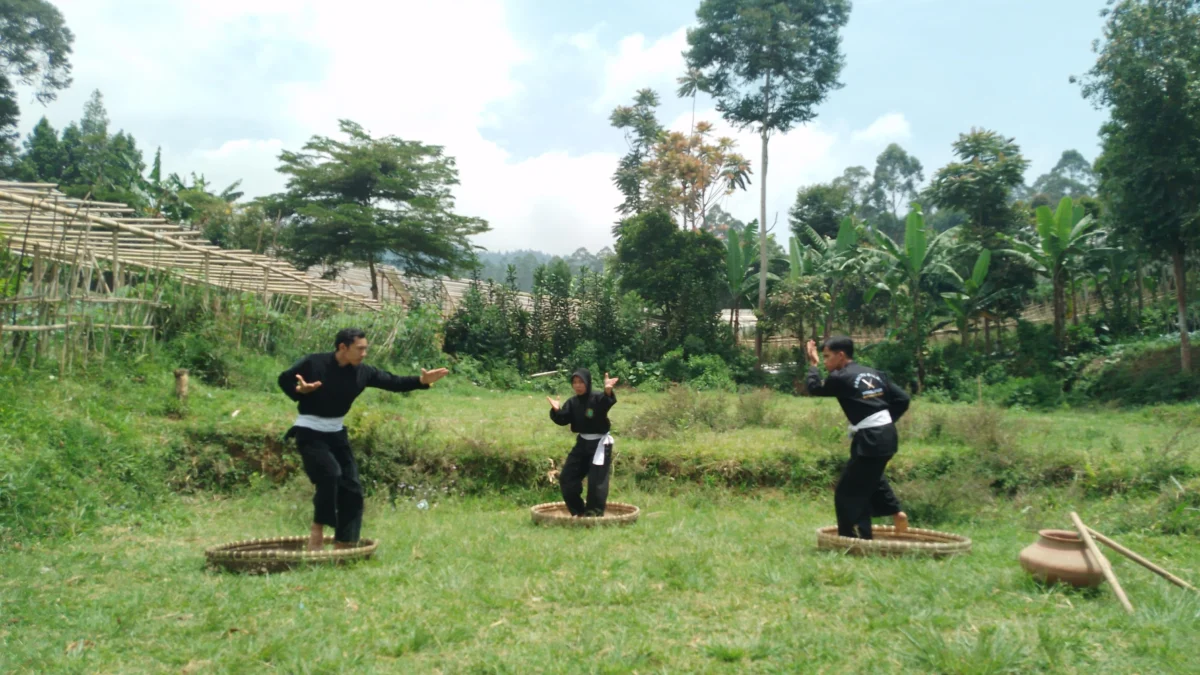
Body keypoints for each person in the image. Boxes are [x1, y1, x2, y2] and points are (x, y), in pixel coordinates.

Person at [278, 328, 448, 551]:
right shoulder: (313, 362)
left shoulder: (363, 372)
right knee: (330, 474)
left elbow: (392, 381)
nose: (364, 353)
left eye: (366, 349)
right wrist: (300, 391)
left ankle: (345, 544)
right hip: (309, 431)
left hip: (336, 433)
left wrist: (421, 381)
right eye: (360, 349)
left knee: (352, 488)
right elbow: (284, 380)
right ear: (343, 347)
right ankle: (317, 530)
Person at [805, 336, 910, 540]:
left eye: (827, 356)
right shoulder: (875, 373)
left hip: (870, 439)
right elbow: (903, 398)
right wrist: (883, 421)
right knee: (871, 478)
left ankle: (852, 540)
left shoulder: (840, 377)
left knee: (848, 493)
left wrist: (813, 364)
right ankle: (895, 511)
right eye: (822, 358)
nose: (825, 362)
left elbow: (814, 388)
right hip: (886, 436)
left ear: (840, 355)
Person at [547, 368, 619, 516]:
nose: (578, 385)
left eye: (581, 382)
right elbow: (563, 419)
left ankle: (593, 515)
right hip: (582, 444)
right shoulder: (572, 402)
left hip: (600, 444)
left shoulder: (597, 398)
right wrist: (556, 410)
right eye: (574, 382)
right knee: (567, 478)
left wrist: (608, 391)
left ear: (588, 382)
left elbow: (606, 403)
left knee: (596, 482)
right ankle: (578, 512)